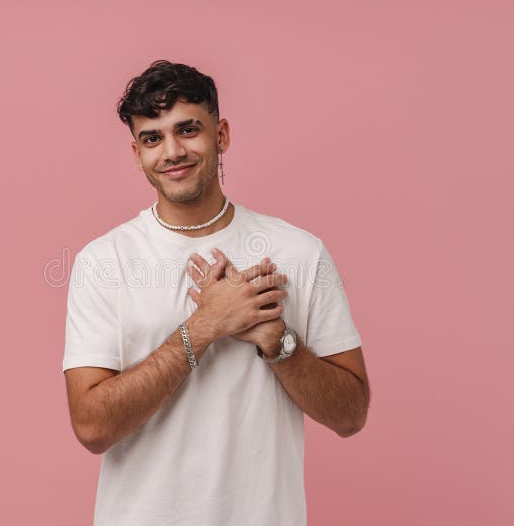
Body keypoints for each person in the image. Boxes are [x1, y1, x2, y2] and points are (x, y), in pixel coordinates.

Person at [62, 59, 370, 526]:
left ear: (221, 135)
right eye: (153, 138)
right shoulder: (103, 262)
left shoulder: (299, 252)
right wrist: (205, 325)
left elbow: (351, 414)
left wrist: (275, 338)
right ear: (137, 154)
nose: (172, 151)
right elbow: (92, 426)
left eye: (188, 130)